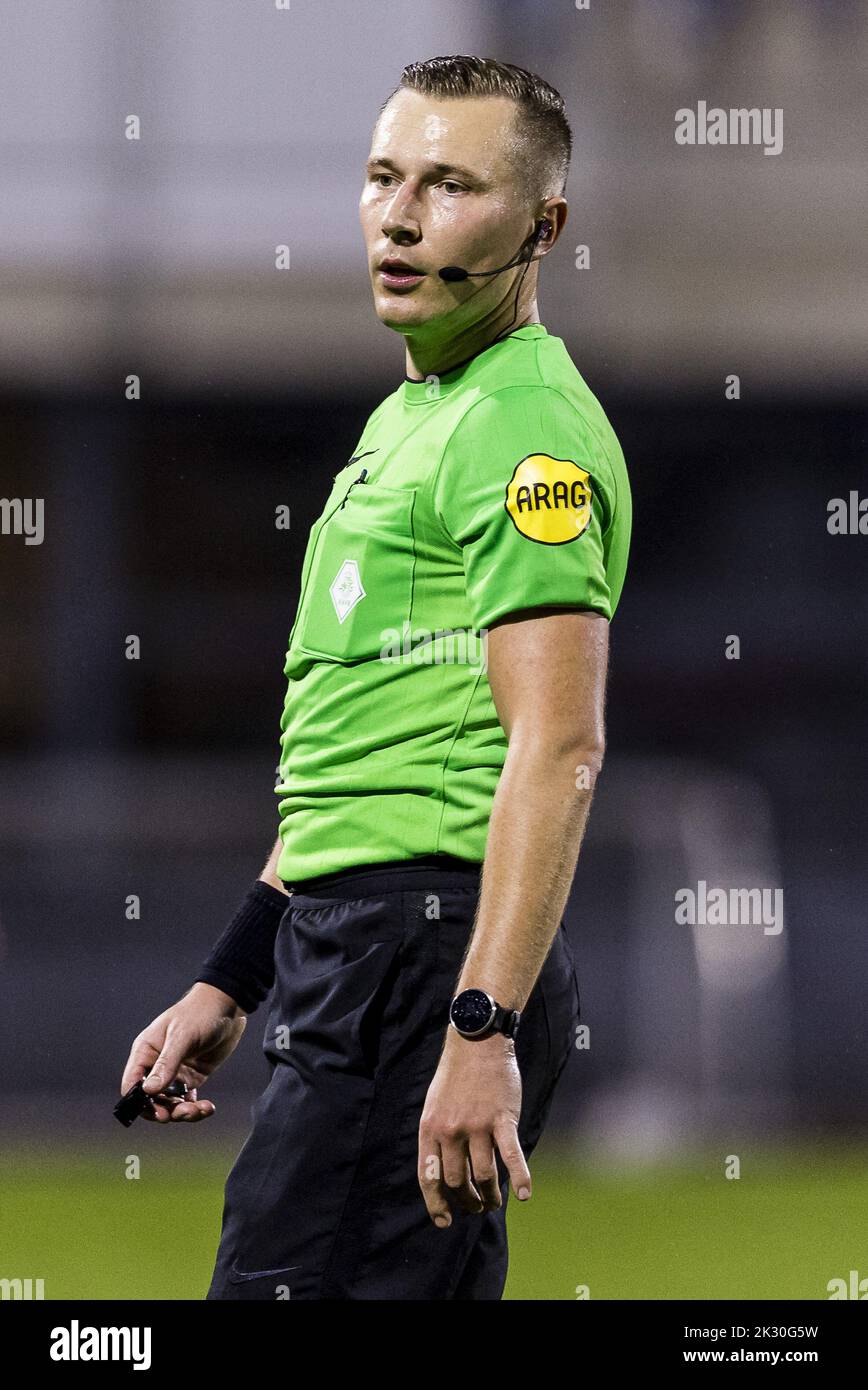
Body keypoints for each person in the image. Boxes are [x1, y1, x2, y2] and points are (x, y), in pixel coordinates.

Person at [120, 54, 632, 1301]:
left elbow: (559, 745)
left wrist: (480, 1027)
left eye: (451, 186)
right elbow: (369, 757)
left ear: (541, 226)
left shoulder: (524, 430)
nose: (400, 218)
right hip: (360, 951)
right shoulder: (418, 412)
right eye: (383, 178)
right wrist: (236, 972)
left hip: (426, 962)